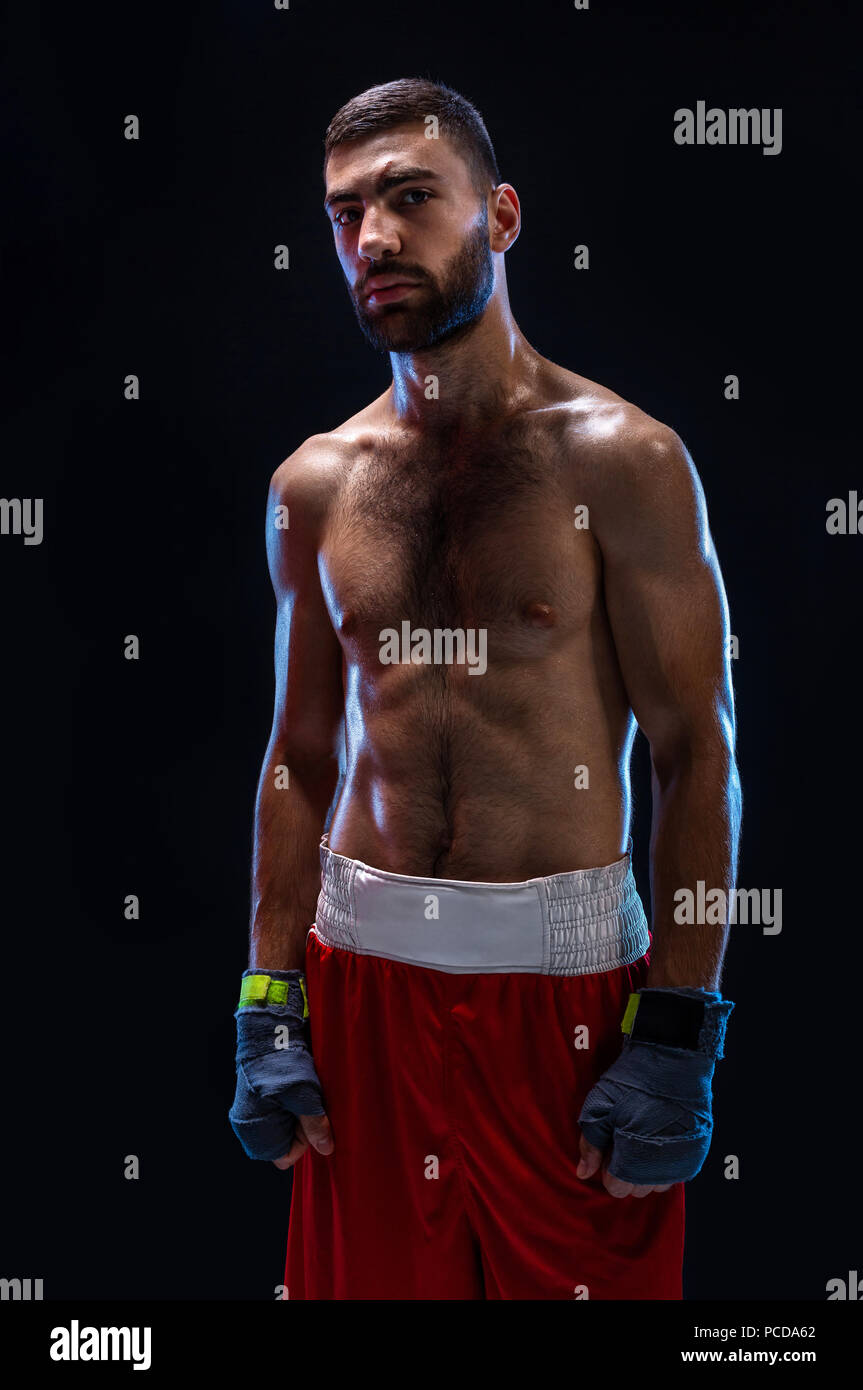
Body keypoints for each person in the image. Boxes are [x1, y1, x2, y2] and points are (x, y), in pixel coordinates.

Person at [229, 77, 740, 1300]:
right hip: (361, 999)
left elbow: (694, 751)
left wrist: (678, 1026)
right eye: (345, 215)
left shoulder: (622, 459)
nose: (374, 240)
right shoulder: (315, 484)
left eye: (410, 199)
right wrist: (266, 1000)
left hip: (563, 1006)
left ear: (500, 217)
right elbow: (300, 754)